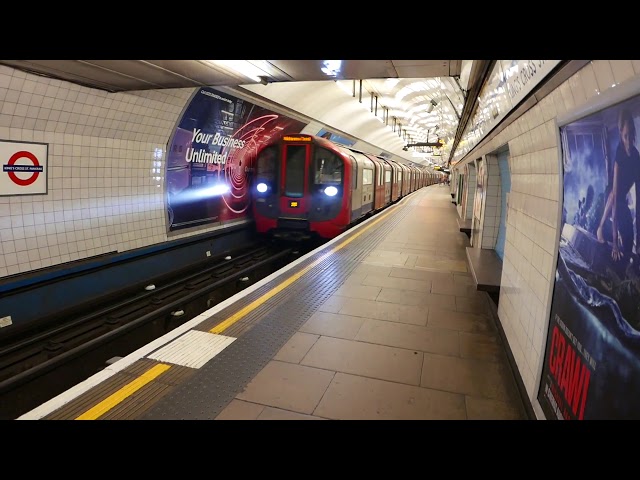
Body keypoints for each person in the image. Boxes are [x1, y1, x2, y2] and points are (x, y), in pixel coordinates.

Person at [596, 108, 640, 263]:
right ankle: (600, 228)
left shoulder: (636, 156)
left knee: (629, 237)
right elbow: (613, 198)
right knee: (613, 200)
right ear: (621, 134)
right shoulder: (619, 153)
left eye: (631, 136)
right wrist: (615, 241)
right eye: (625, 136)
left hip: (621, 198)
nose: (628, 141)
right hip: (614, 196)